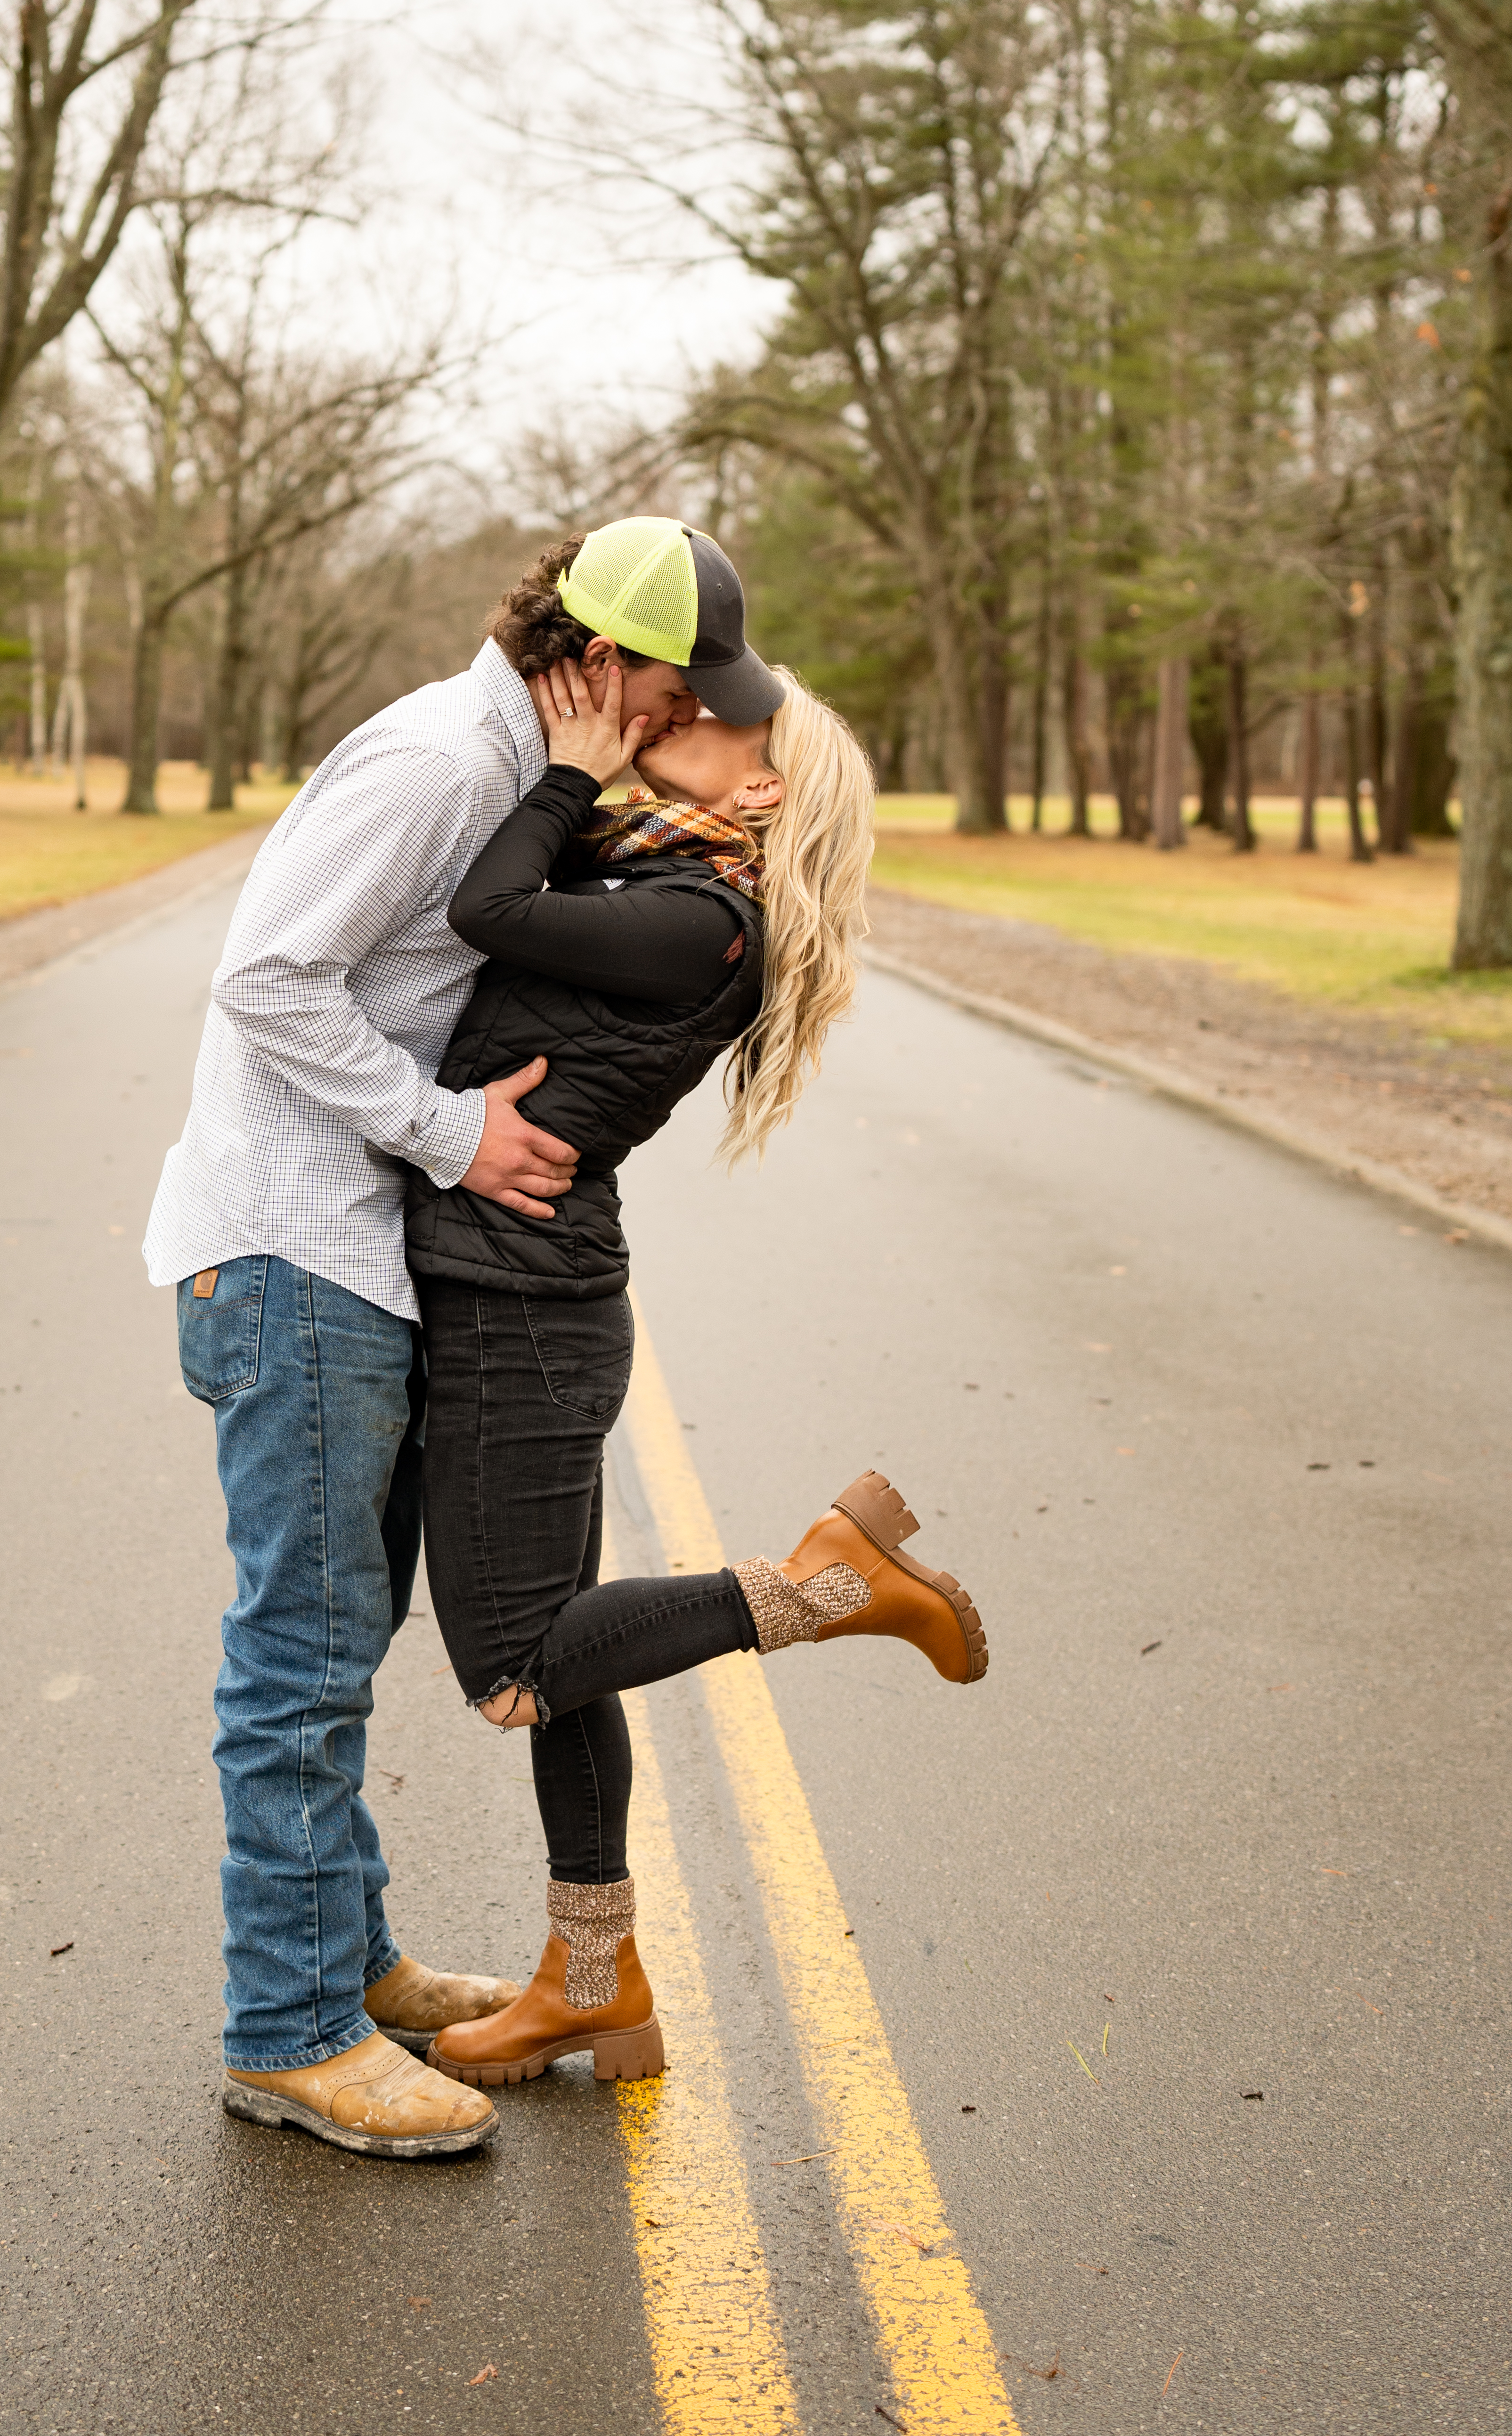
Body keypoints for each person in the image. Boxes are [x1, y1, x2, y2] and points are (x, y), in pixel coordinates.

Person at [143, 517, 786, 2159]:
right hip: (296, 1251)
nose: (679, 716)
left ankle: (341, 1969)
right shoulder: (446, 762)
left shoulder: (517, 775)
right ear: (601, 661)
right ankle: (287, 2031)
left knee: (341, 1638)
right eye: (674, 687)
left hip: (351, 1253)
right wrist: (448, 1135)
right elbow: (268, 976)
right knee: (301, 1652)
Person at [401, 616, 991, 2093]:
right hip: (521, 1291)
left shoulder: (701, 921)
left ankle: (841, 1587)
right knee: (575, 1662)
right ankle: (593, 1985)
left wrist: (568, 769)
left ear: (766, 792)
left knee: (522, 1670)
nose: (682, 715)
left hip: (518, 1309)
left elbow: (488, 909)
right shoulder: (669, 878)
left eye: (716, 719)